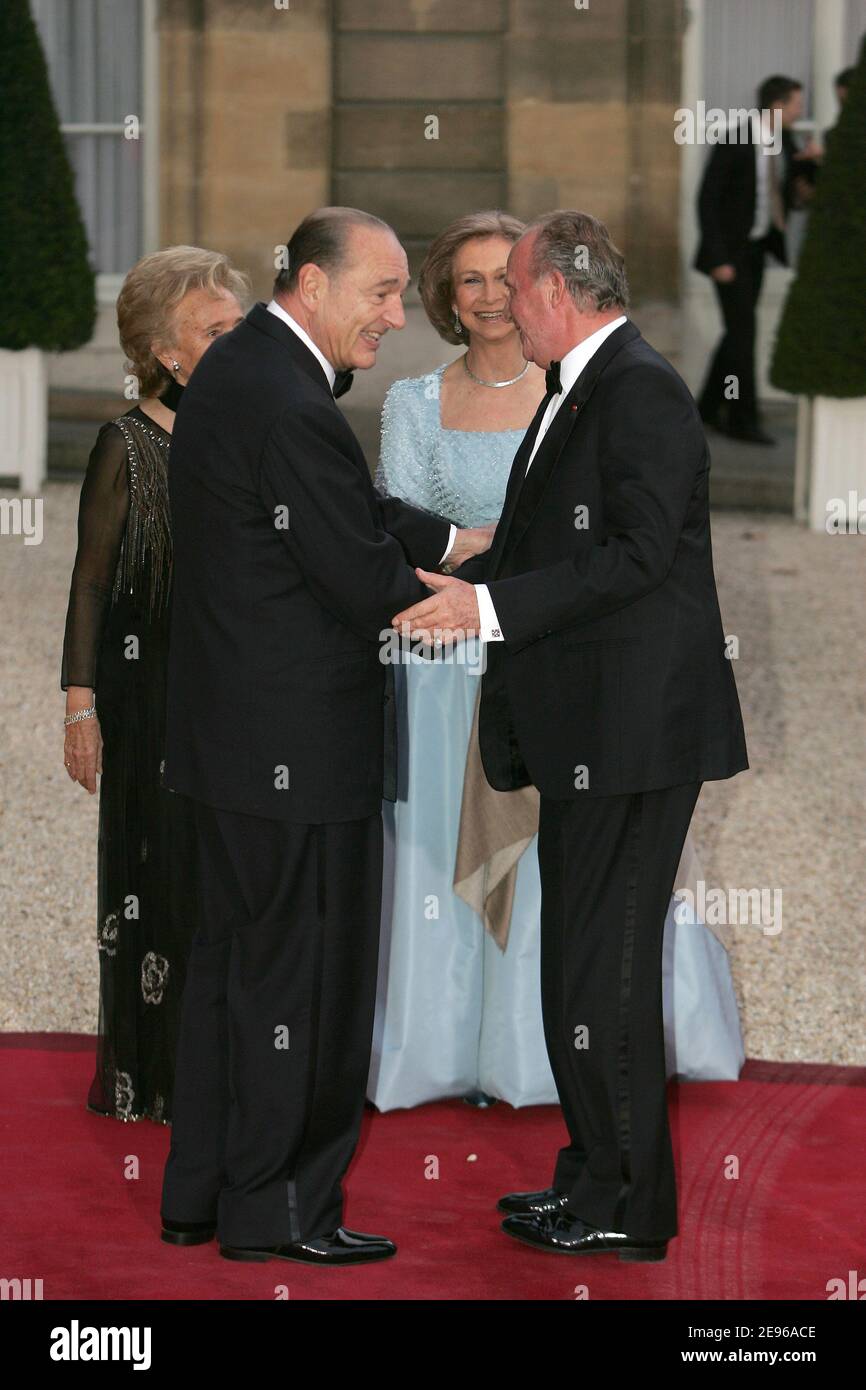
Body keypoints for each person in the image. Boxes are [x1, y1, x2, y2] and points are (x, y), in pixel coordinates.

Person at [394, 209, 749, 1262]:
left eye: (513, 283)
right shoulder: (578, 386)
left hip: (635, 735)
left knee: (609, 971)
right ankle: (591, 1175)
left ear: (556, 290)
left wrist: (488, 613)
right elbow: (550, 544)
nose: (501, 302)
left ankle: (630, 1206)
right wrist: (455, 585)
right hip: (587, 727)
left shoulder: (637, 390)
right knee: (579, 963)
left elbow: (637, 556)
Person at [158, 206, 490, 1266]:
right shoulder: (287, 396)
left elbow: (339, 506)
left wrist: (453, 539)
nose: (397, 316)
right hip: (295, 752)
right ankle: (281, 1210)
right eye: (380, 293)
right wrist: (455, 596)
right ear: (310, 282)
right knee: (302, 985)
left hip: (229, 742)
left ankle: (198, 1195)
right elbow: (354, 573)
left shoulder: (244, 368)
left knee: (230, 968)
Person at [60, 246, 248, 1123]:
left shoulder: (245, 434)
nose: (236, 343)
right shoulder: (124, 447)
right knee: (157, 875)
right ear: (168, 353)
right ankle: (152, 1078)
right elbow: (89, 583)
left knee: (225, 883)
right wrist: (80, 706)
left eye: (237, 325)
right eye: (215, 331)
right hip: (149, 698)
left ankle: (222, 1066)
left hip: (231, 697)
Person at [695, 75, 805, 445]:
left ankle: (707, 408)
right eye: (795, 104)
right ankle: (742, 418)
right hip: (729, 255)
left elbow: (788, 190)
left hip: (757, 251)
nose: (799, 111)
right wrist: (719, 259)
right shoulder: (735, 138)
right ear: (777, 105)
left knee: (737, 333)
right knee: (744, 335)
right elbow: (707, 200)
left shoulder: (786, 140)